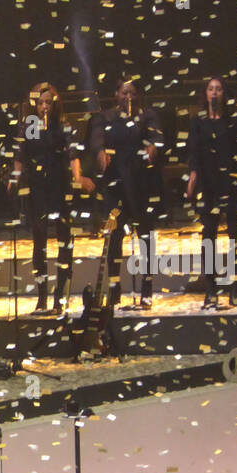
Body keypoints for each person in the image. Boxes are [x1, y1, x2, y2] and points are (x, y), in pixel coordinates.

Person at [9, 83, 92, 315]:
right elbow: (20, 155)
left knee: (64, 240)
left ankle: (60, 296)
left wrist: (78, 176)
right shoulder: (30, 126)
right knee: (39, 241)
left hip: (60, 185)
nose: (44, 107)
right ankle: (42, 296)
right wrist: (14, 178)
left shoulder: (62, 125)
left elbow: (72, 153)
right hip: (37, 187)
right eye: (41, 102)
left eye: (48, 102)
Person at [185, 77, 237, 309]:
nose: (214, 93)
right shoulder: (198, 122)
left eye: (218, 89)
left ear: (224, 94)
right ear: (205, 93)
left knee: (235, 236)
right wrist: (192, 177)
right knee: (208, 234)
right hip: (208, 184)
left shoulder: (235, 119)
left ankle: (234, 285)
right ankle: (210, 288)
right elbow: (194, 152)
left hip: (232, 182)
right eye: (211, 89)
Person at [90, 77, 164, 310]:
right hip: (116, 185)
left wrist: (153, 146)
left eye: (132, 93)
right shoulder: (106, 117)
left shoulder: (147, 116)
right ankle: (114, 290)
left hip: (141, 183)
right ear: (116, 95)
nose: (128, 97)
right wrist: (101, 151)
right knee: (114, 239)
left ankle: (147, 289)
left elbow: (157, 137)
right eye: (124, 93)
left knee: (144, 237)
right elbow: (97, 138)